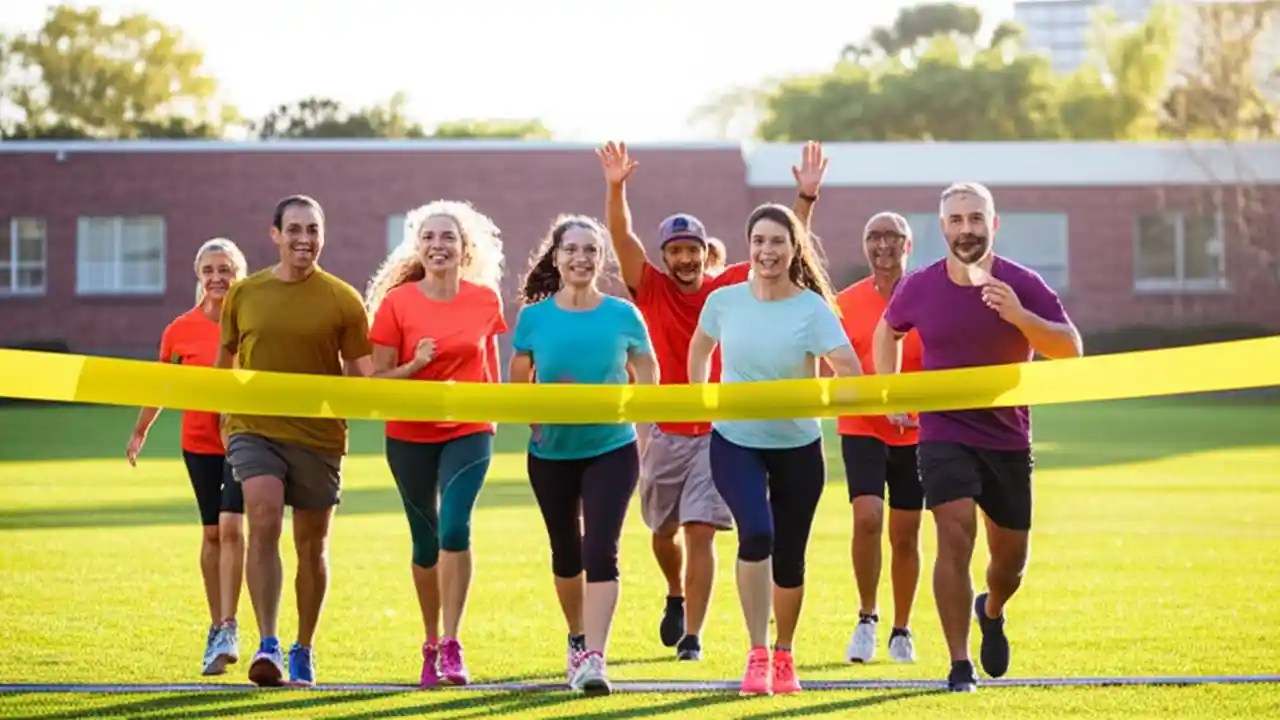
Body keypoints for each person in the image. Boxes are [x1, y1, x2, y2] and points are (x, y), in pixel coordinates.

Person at [595, 139, 826, 662]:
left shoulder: (729, 288)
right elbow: (620, 236)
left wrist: (805, 198)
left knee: (701, 531)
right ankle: (674, 594)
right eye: (675, 250)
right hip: (664, 433)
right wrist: (615, 187)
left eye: (692, 249)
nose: (685, 258)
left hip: (720, 433)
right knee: (664, 532)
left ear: (704, 252)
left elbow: (781, 245)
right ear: (664, 257)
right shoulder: (651, 289)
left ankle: (693, 636)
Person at [873, 182, 1082, 693]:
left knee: (1009, 565)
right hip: (943, 432)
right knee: (954, 531)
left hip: (1007, 438)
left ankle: (991, 609)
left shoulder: (1022, 283)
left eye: (975, 219)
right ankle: (959, 663)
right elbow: (888, 331)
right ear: (942, 227)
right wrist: (891, 391)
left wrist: (1019, 316)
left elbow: (1070, 349)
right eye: (956, 220)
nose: (966, 229)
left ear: (993, 224)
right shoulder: (920, 286)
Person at [689, 202, 862, 696]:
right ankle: (757, 651)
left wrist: (827, 399)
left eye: (778, 242)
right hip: (735, 441)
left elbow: (849, 368)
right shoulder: (724, 301)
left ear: (793, 248)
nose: (767, 251)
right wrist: (702, 397)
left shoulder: (811, 309)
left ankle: (784, 654)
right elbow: (700, 348)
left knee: (789, 555)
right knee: (757, 533)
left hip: (798, 445)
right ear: (749, 246)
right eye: (759, 241)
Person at [217, 194, 375, 687]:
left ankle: (303, 646)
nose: (304, 239)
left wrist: (413, 375)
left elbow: (363, 375)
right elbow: (225, 364)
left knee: (312, 546)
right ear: (275, 235)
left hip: (318, 436)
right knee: (262, 516)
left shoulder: (343, 299)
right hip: (254, 428)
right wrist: (222, 416)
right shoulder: (244, 294)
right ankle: (267, 644)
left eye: (313, 230)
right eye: (295, 229)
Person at [508, 214, 659, 696]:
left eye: (591, 250)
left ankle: (595, 656)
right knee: (566, 551)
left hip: (611, 448)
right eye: (572, 249)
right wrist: (534, 416)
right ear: (556, 258)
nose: (581, 258)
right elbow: (518, 376)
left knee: (600, 549)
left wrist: (643, 429)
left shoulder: (622, 315)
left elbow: (647, 371)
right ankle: (576, 638)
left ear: (601, 258)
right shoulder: (534, 318)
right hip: (551, 453)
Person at [363, 200, 507, 688]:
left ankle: (452, 642)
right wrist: (416, 366)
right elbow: (377, 380)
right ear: (417, 247)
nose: (437, 245)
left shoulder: (484, 300)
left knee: (454, 527)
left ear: (465, 248)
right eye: (428, 237)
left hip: (469, 430)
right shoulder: (397, 304)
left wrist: (495, 416)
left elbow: (490, 366)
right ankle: (429, 642)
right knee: (425, 540)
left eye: (448, 237)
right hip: (410, 435)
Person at [125, 238, 249, 676]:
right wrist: (141, 430)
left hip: (244, 438)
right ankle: (216, 627)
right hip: (198, 442)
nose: (217, 278)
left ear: (238, 274)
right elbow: (162, 384)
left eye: (225, 269)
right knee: (212, 532)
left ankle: (230, 626)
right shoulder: (179, 329)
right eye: (209, 270)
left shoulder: (252, 326)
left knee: (232, 527)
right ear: (198, 275)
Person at [835, 213, 926, 665]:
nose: (883, 244)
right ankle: (867, 617)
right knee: (867, 518)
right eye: (874, 236)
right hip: (862, 428)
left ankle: (901, 628)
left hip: (916, 432)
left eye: (893, 236)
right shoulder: (844, 302)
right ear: (864, 245)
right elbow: (833, 366)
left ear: (908, 245)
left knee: (905, 534)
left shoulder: (927, 297)